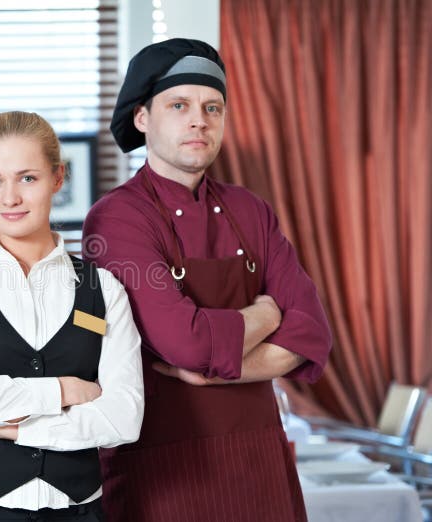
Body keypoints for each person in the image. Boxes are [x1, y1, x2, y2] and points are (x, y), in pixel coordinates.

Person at [82, 38, 332, 522]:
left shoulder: (250, 210)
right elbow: (187, 344)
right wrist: (265, 313)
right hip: (164, 469)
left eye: (212, 107)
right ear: (142, 119)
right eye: (179, 106)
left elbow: (312, 332)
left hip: (260, 460)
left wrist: (212, 368)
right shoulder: (116, 219)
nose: (199, 119)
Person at [0, 111, 144, 521]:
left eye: (28, 178)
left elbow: (124, 418)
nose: (10, 199)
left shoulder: (105, 288)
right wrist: (64, 391)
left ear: (58, 178)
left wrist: (16, 426)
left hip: (76, 512)